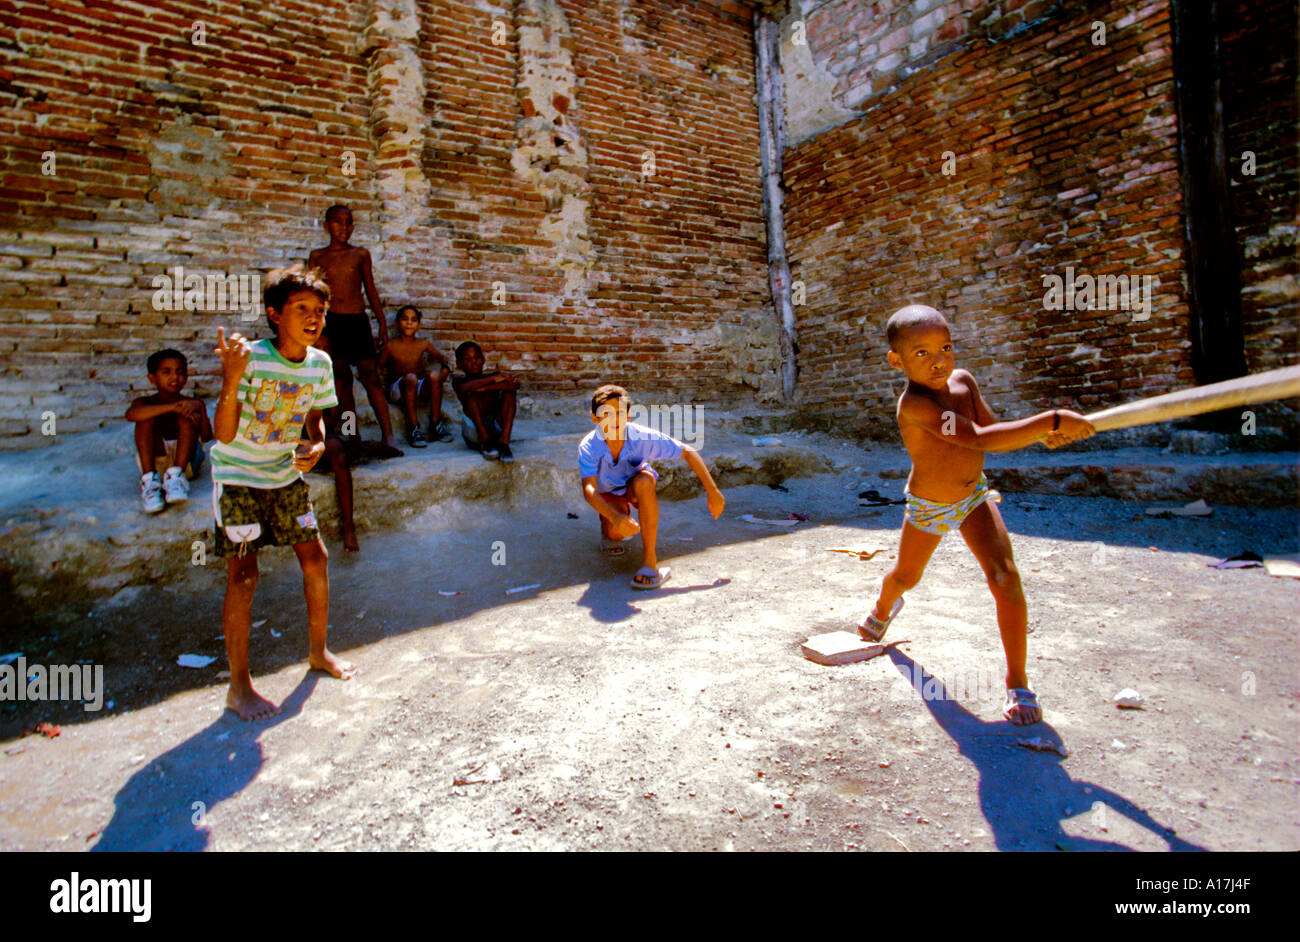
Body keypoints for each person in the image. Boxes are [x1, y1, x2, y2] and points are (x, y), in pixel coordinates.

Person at [860, 304, 1094, 725]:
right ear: (895, 360)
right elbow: (977, 437)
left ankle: (1018, 681)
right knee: (906, 577)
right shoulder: (915, 405)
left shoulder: (964, 382)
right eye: (922, 353)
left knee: (1005, 576)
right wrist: (1051, 419)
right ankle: (882, 608)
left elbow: (992, 430)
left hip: (973, 497)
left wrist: (1044, 436)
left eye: (945, 347)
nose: (939, 361)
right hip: (929, 506)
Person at [210, 262, 356, 721]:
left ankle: (318, 652)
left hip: (283, 476)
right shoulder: (249, 356)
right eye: (300, 309)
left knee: (315, 558)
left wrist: (314, 446)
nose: (313, 318)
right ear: (274, 314)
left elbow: (313, 421)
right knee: (244, 576)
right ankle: (238, 686)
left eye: (319, 310)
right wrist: (232, 379)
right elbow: (225, 435)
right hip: (238, 477)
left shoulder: (320, 364)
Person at [578, 384, 725, 589]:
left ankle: (650, 563)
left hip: (635, 485)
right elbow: (589, 490)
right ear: (595, 418)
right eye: (606, 413)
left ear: (628, 415)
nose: (614, 419)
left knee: (645, 482)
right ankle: (609, 526)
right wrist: (616, 517)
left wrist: (713, 491)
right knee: (616, 533)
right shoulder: (589, 445)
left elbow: (688, 452)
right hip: (609, 493)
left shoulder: (640, 437)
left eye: (620, 412)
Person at [307, 204, 401, 456]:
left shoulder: (360, 254)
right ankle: (352, 434)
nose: (344, 228)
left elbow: (369, 289)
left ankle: (388, 436)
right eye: (337, 222)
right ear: (326, 226)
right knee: (342, 379)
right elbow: (313, 294)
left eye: (349, 222)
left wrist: (381, 322)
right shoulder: (318, 256)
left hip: (357, 320)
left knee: (371, 377)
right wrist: (316, 328)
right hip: (332, 323)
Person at [125, 349, 212, 513]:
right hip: (156, 463)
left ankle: (176, 479)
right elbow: (131, 415)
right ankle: (150, 483)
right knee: (145, 419)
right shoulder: (144, 401)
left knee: (186, 416)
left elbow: (207, 436)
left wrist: (201, 410)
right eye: (166, 372)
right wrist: (173, 408)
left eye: (180, 373)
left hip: (187, 465)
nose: (174, 377)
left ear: (186, 378)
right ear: (152, 378)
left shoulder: (191, 403)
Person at [376, 305, 454, 448]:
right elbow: (379, 367)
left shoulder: (422, 344)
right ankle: (413, 428)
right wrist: (382, 376)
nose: (409, 323)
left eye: (413, 320)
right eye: (405, 319)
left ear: (419, 325)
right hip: (398, 390)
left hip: (417, 387)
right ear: (396, 323)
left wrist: (445, 370)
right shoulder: (390, 346)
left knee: (434, 376)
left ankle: (436, 423)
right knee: (411, 378)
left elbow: (443, 358)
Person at [451, 340, 518, 463]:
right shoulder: (458, 381)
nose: (474, 362)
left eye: (477, 357)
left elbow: (514, 386)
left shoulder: (493, 376)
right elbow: (464, 388)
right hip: (474, 431)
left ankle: (504, 443)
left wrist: (487, 387)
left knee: (509, 393)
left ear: (483, 359)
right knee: (472, 393)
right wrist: (493, 379)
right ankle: (485, 441)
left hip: (495, 427)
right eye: (468, 359)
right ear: (459, 364)